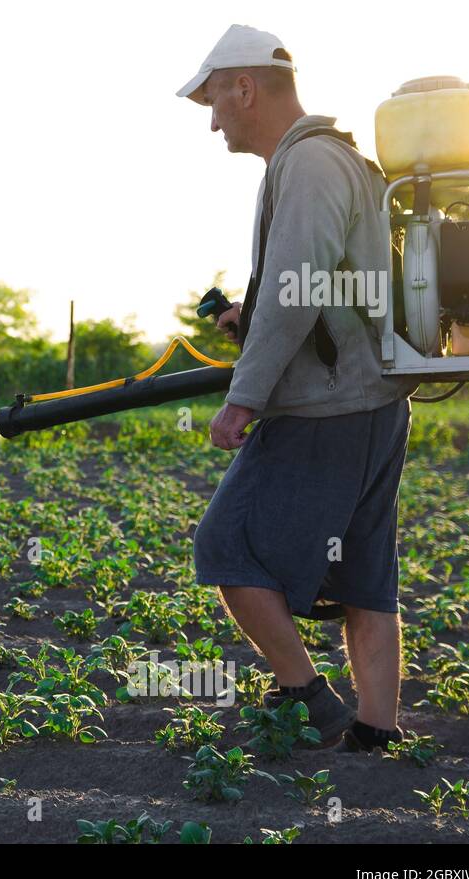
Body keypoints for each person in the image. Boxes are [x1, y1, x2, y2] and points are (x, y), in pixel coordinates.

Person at [176, 25, 415, 752]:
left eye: (215, 99)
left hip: (323, 410)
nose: (213, 118)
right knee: (363, 573)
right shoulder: (339, 158)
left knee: (224, 546)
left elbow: (293, 288)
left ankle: (306, 695)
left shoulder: (307, 164)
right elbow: (323, 288)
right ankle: (376, 731)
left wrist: (244, 394)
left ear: (245, 87)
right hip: (375, 401)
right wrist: (244, 321)